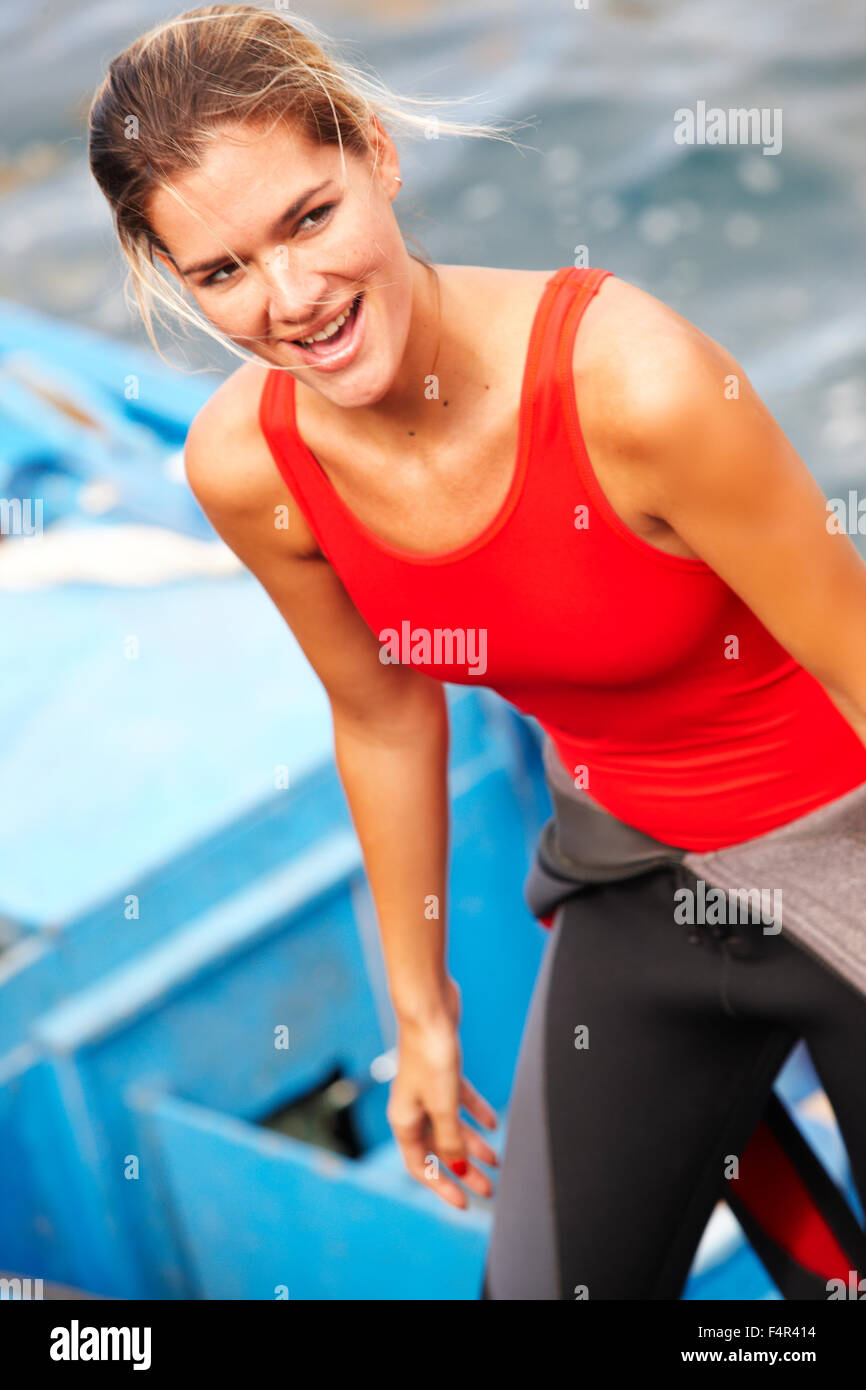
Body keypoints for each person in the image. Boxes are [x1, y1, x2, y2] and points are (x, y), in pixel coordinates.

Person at [88, 4, 866, 1298]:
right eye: (221, 274)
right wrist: (423, 1014)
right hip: (635, 879)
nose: (291, 300)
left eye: (308, 218)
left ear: (378, 158)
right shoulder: (250, 465)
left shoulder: (635, 385)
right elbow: (385, 714)